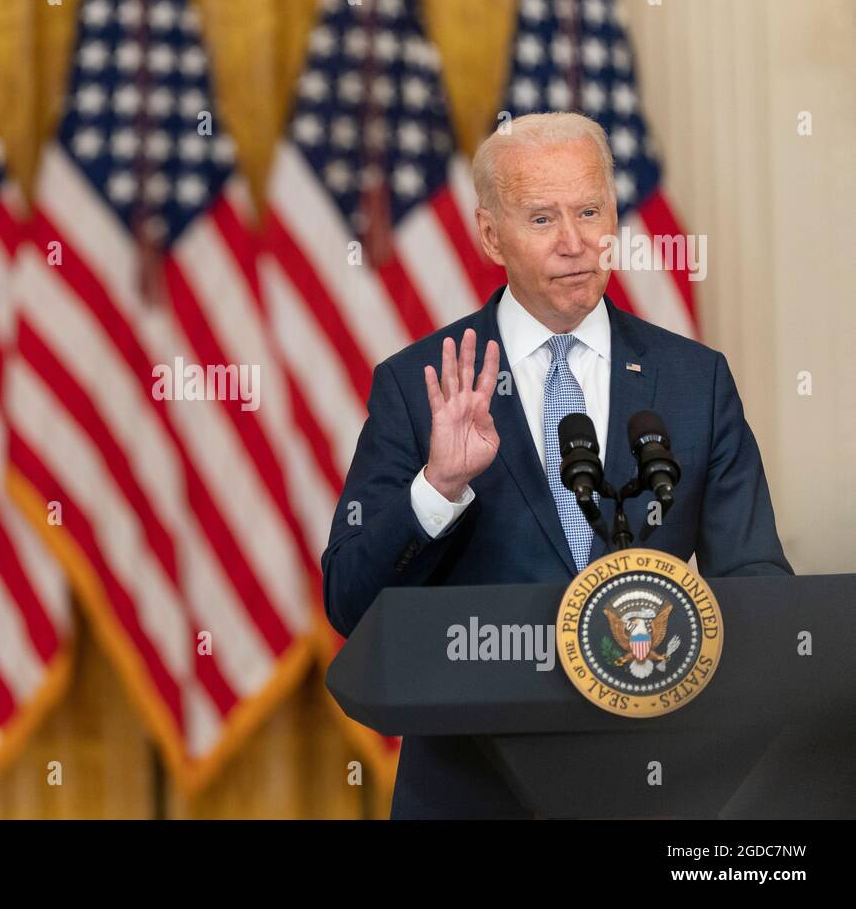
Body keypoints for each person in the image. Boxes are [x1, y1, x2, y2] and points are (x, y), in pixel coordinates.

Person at [321, 112, 793, 819]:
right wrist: (438, 489)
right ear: (490, 234)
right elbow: (350, 602)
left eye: (590, 211)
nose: (575, 243)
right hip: (471, 789)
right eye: (542, 218)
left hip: (653, 782)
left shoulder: (696, 381)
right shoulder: (420, 386)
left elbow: (758, 589)